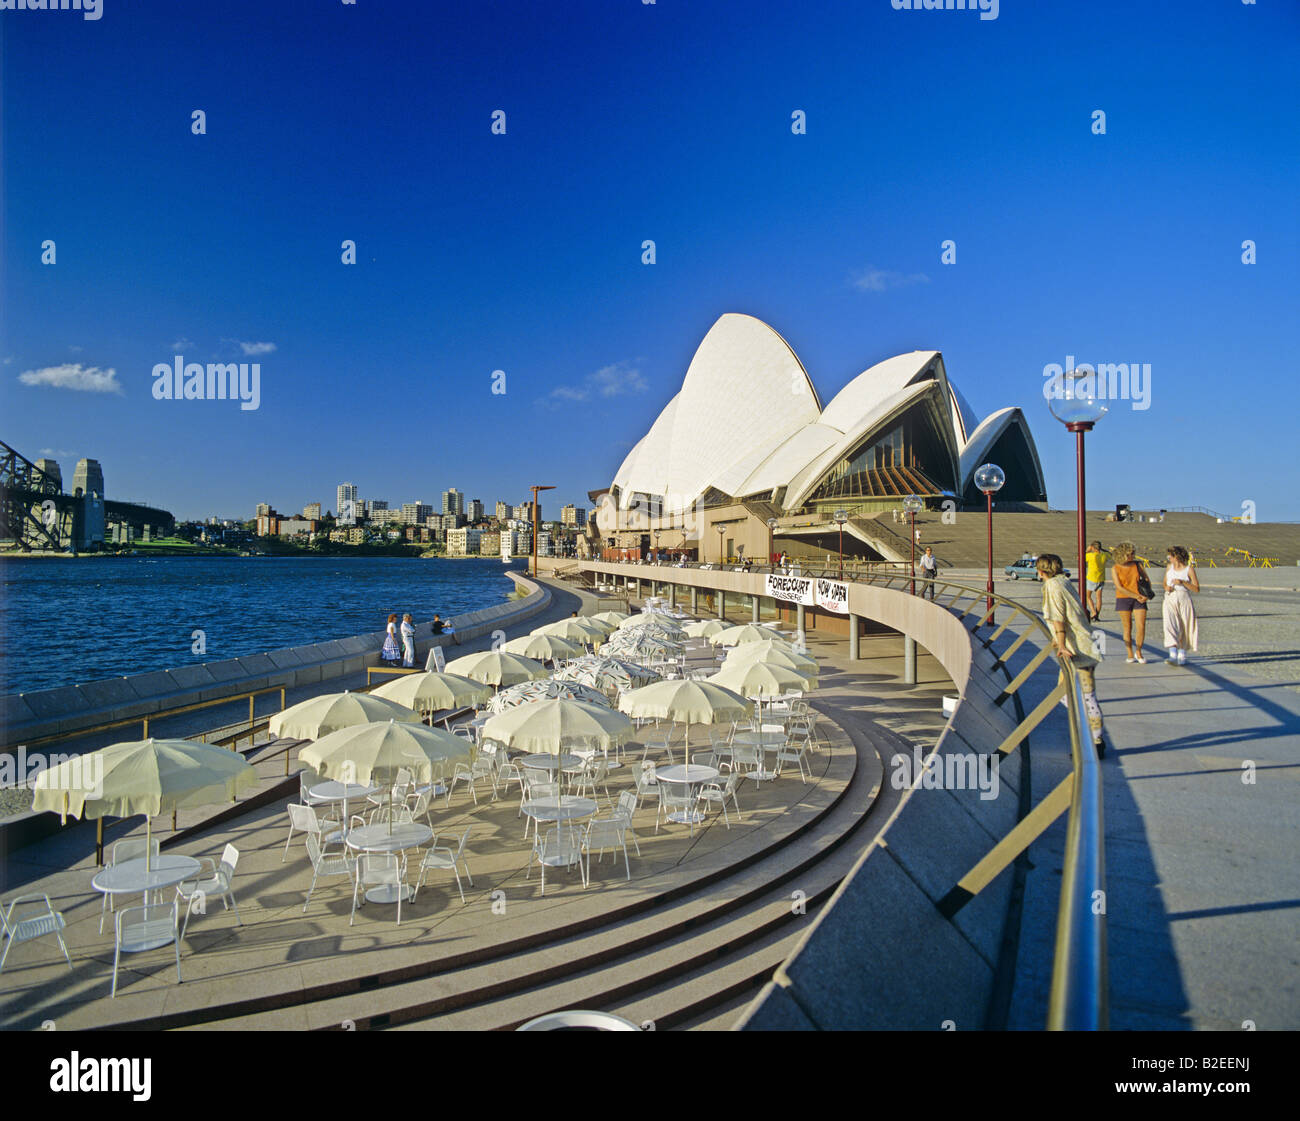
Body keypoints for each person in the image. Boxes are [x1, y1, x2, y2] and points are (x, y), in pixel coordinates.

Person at [1037, 553, 1106, 755]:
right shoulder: (1063, 581)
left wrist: (1060, 643)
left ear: (1041, 571)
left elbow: (1058, 618)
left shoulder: (1053, 586)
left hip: (1079, 650)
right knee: (1067, 694)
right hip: (1083, 644)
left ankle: (1094, 743)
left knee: (1085, 697)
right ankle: (1091, 739)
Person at [1110, 541, 1151, 663]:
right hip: (1123, 597)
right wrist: (1136, 596)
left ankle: (1139, 651)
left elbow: (1147, 580)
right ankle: (1129, 653)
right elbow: (1119, 587)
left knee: (1141, 626)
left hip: (1140, 597)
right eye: (1130, 553)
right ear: (1122, 555)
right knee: (1127, 627)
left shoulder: (1137, 565)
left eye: (1133, 553)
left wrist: (1146, 595)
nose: (1133, 555)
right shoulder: (1115, 568)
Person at [1162, 545, 1199, 665]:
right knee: (1169, 623)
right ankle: (1172, 653)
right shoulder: (1169, 567)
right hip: (1170, 597)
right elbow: (1164, 582)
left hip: (1183, 597)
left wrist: (1183, 582)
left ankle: (1182, 653)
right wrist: (1166, 587)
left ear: (1176, 557)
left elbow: (1196, 588)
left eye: (1170, 556)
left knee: (1185, 625)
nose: (1169, 559)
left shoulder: (1189, 569)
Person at [1084, 541, 1110, 622]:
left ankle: (1093, 611)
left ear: (1093, 548)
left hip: (1092, 578)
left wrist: (1087, 551)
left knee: (1087, 596)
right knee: (1099, 598)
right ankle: (1097, 616)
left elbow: (1080, 557)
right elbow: (1110, 554)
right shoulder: (1104, 555)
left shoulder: (1090, 555)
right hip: (1101, 579)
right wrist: (1102, 550)